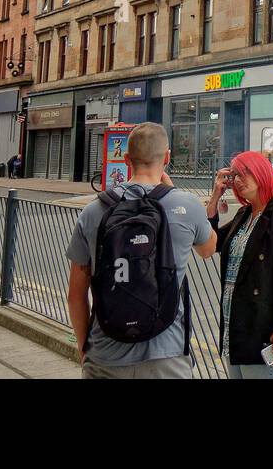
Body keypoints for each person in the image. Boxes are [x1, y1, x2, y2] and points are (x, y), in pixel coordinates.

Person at [66, 122, 215, 379]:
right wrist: (173, 190)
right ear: (167, 157)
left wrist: (85, 349)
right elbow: (208, 249)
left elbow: (75, 295)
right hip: (166, 356)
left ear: (126, 159)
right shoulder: (186, 205)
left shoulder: (93, 212)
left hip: (105, 356)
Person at [207, 150, 273, 379]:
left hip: (263, 333)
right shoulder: (244, 214)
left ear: (261, 172)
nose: (238, 181)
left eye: (244, 173)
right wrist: (214, 198)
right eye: (235, 176)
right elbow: (211, 244)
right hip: (236, 330)